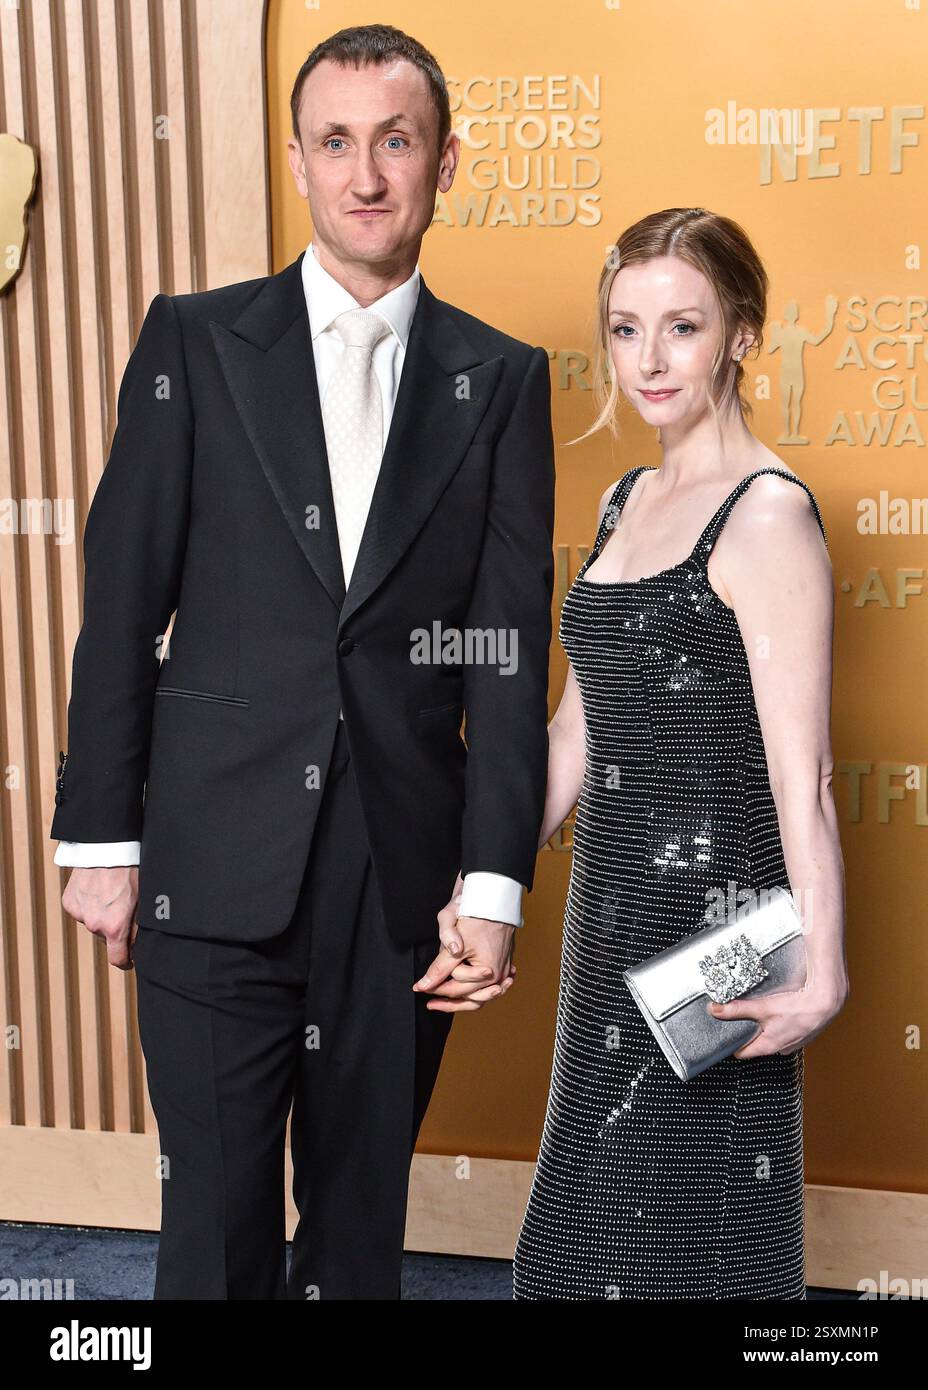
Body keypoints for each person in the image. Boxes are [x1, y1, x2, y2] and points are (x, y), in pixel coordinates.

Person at [50, 24, 555, 1300]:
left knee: (353, 1239)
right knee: (210, 1237)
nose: (366, 174)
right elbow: (120, 609)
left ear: (445, 164)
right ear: (296, 162)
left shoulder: (499, 378)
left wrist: (492, 880)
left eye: (398, 141)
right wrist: (100, 844)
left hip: (400, 890)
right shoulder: (193, 343)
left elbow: (502, 653)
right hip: (209, 865)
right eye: (336, 143)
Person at [502, 207, 848, 1299]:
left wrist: (824, 967)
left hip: (718, 933)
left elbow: (809, 776)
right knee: (575, 1248)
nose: (648, 360)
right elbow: (575, 727)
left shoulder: (767, 516)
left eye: (682, 327)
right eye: (623, 329)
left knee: (686, 1239)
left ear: (741, 333)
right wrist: (486, 882)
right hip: (608, 920)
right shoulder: (624, 500)